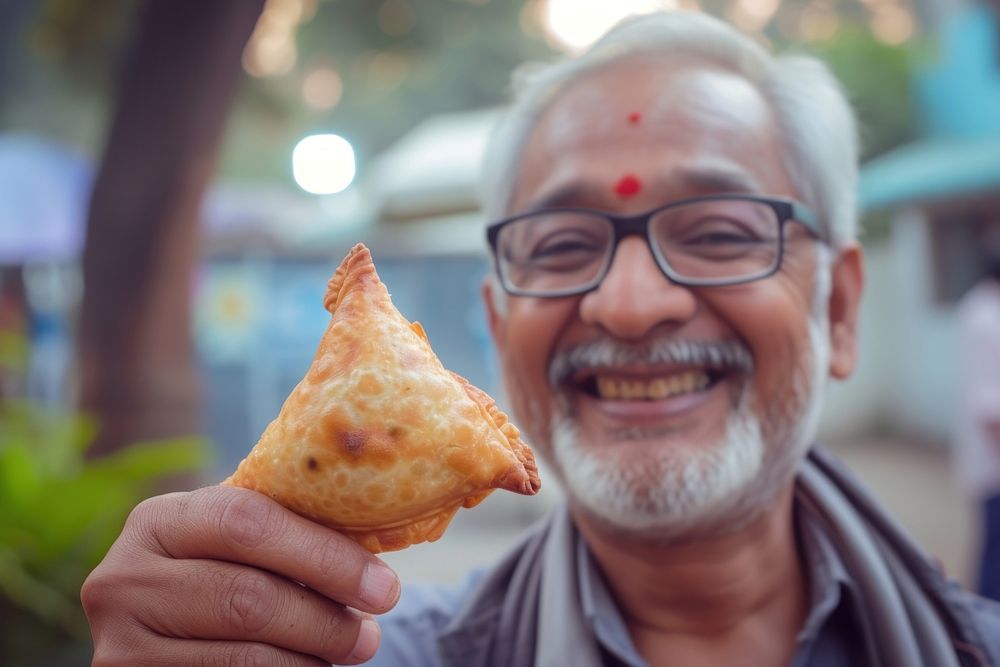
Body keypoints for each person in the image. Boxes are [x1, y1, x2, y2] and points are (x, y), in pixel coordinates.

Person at [81, 11, 1000, 666]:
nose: (632, 305)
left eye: (719, 231)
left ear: (839, 308)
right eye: (561, 246)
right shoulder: (358, 654)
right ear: (493, 332)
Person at [954, 228, 1000, 603]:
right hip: (994, 461)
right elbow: (990, 407)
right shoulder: (986, 316)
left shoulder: (981, 308)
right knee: (994, 556)